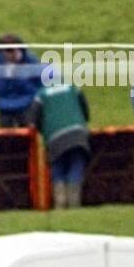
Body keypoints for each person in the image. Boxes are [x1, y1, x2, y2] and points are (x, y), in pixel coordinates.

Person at [27, 71, 91, 208]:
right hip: (78, 133)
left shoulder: (41, 95)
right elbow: (85, 110)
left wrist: (44, 130)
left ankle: (60, 202)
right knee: (76, 164)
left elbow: (32, 121)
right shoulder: (73, 87)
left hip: (54, 137)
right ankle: (74, 201)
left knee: (58, 167)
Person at [0, 34, 43, 128]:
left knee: (27, 132)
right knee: (6, 135)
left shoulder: (31, 61)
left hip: (27, 103)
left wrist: (39, 100)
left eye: (13, 50)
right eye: (7, 51)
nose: (11, 54)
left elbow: (41, 82)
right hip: (4, 105)